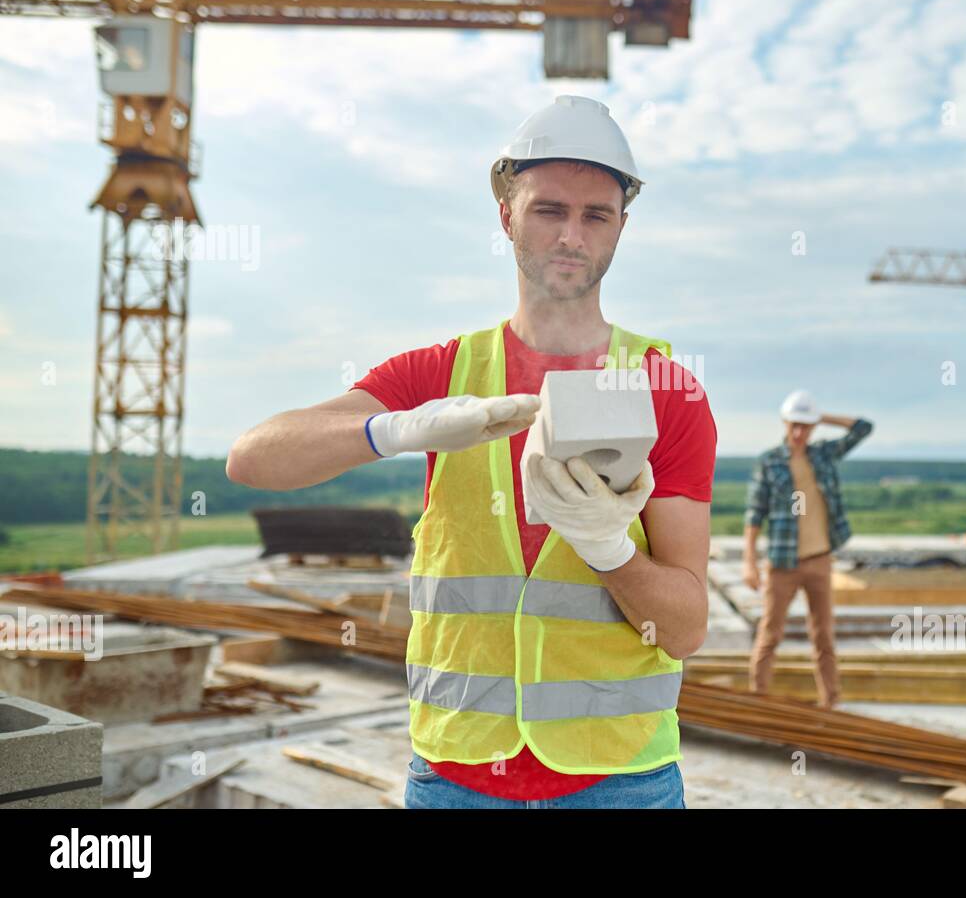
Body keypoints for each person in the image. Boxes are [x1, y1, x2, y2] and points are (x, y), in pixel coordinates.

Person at [226, 95, 717, 809]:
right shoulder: (441, 374)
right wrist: (396, 430)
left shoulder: (666, 389)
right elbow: (251, 458)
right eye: (549, 210)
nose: (571, 235)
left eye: (595, 215)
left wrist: (610, 550)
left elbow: (685, 629)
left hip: (620, 779)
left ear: (621, 227)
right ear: (506, 216)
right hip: (456, 776)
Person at [742, 389, 872, 709]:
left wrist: (821, 417)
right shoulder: (769, 461)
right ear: (784, 423)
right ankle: (758, 701)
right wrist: (749, 562)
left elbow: (863, 428)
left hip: (819, 560)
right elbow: (754, 513)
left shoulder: (823, 455)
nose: (799, 433)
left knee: (823, 636)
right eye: (794, 425)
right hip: (782, 563)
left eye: (806, 426)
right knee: (770, 635)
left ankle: (830, 703)